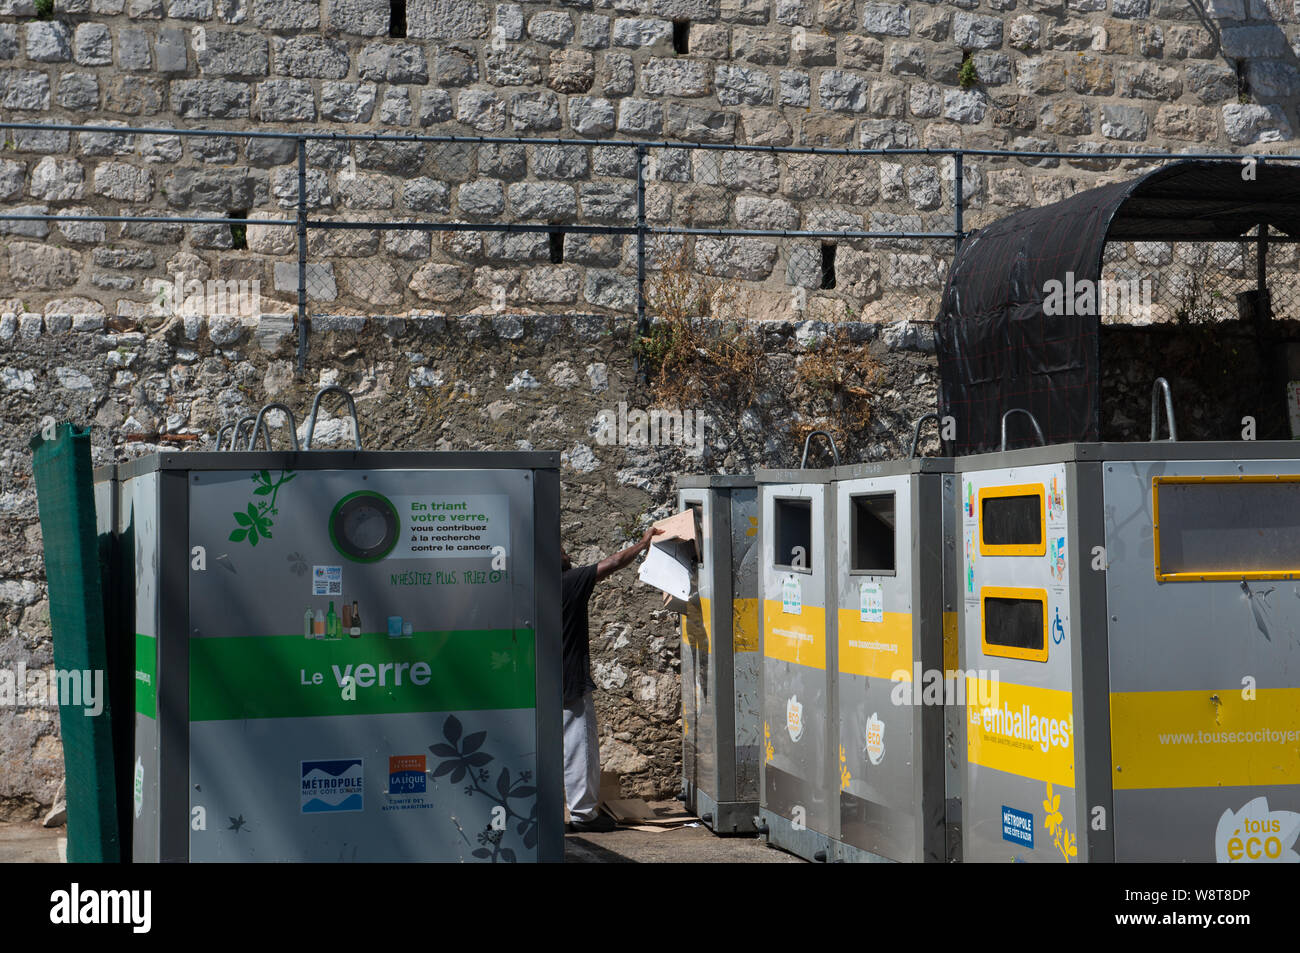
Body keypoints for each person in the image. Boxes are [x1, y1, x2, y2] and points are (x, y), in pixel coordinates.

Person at [561, 526, 663, 833]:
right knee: (580, 750)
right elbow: (613, 563)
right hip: (569, 682)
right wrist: (643, 544)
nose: (568, 554)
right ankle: (583, 815)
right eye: (563, 551)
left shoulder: (534, 586)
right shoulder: (568, 581)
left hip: (540, 682)